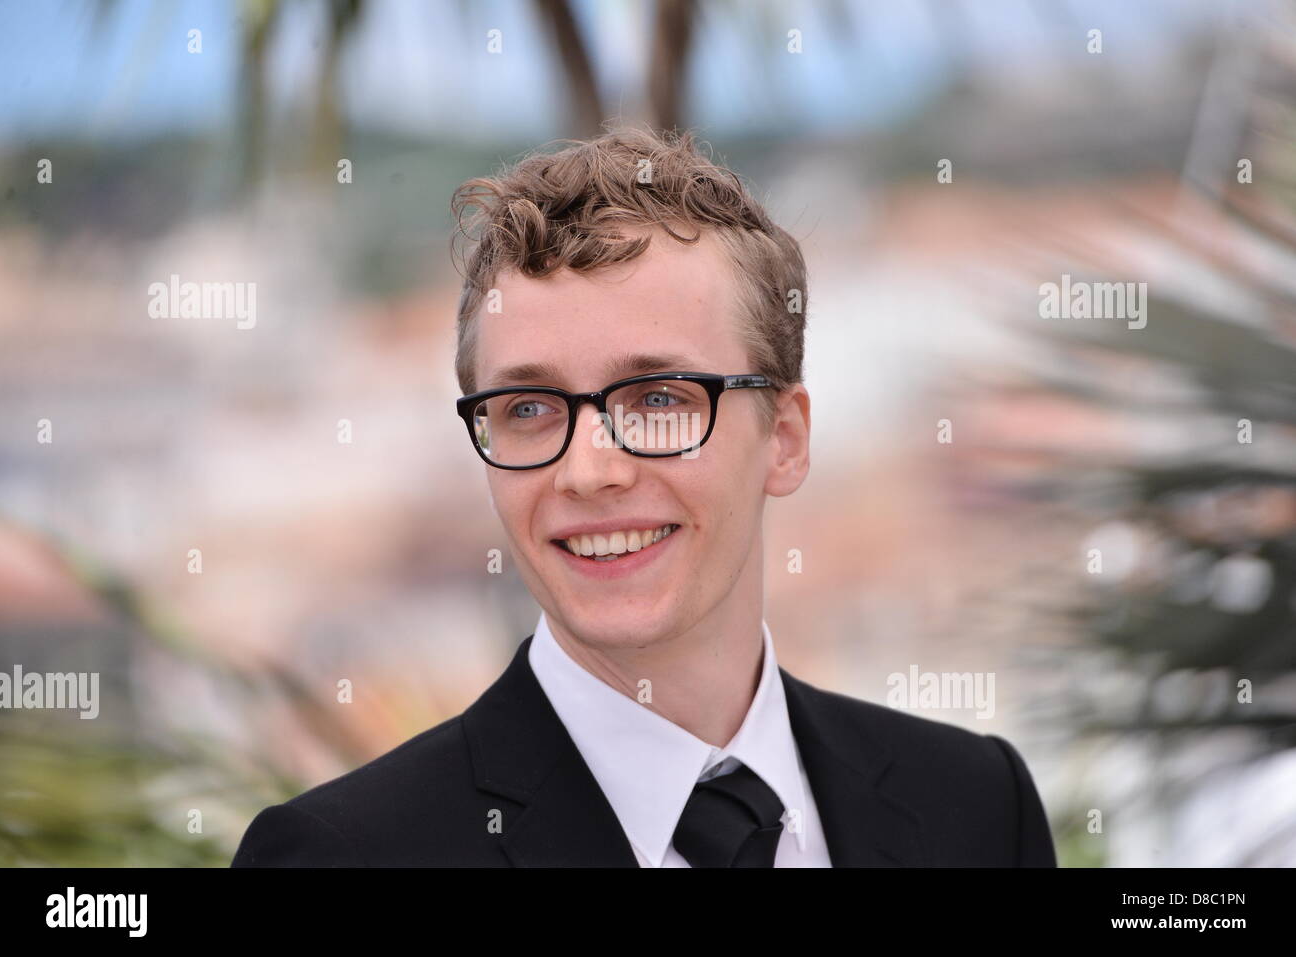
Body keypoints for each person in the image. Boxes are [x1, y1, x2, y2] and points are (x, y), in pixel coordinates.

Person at [231, 125, 1056, 867]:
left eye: (658, 399)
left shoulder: (979, 806)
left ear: (785, 436)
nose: (589, 471)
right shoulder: (341, 858)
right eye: (528, 408)